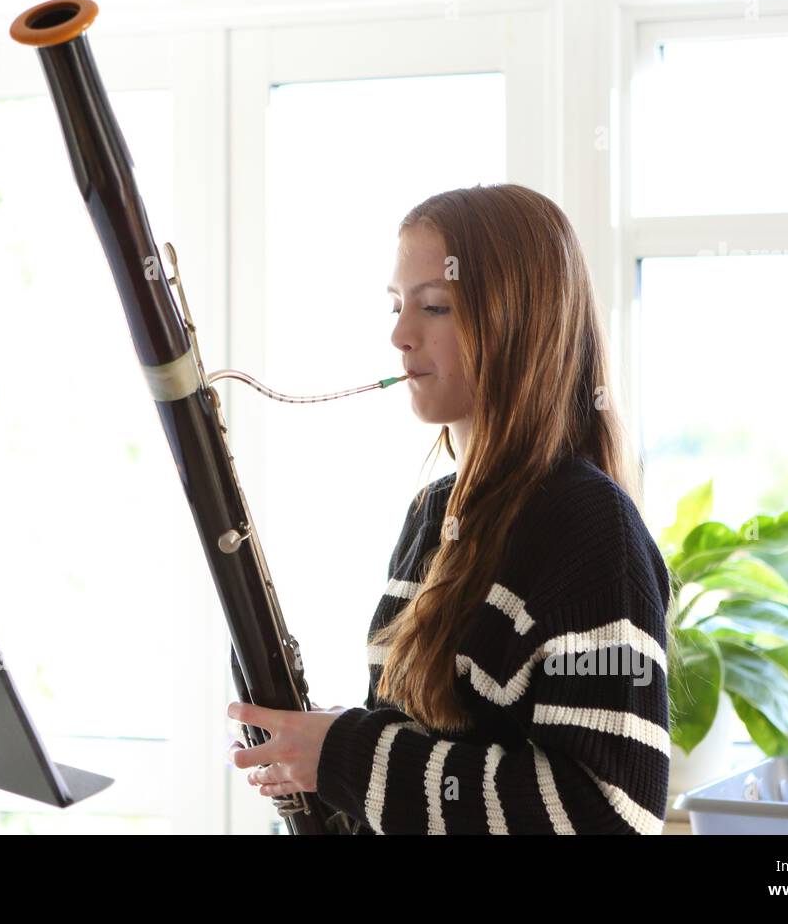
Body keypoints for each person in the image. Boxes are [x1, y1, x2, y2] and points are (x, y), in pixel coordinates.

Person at [226, 183, 673, 834]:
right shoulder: (433, 515)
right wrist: (315, 761)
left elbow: (607, 810)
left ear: (517, 322)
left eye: (434, 307)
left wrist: (348, 755)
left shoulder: (589, 526)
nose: (400, 335)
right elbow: (412, 773)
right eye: (397, 306)